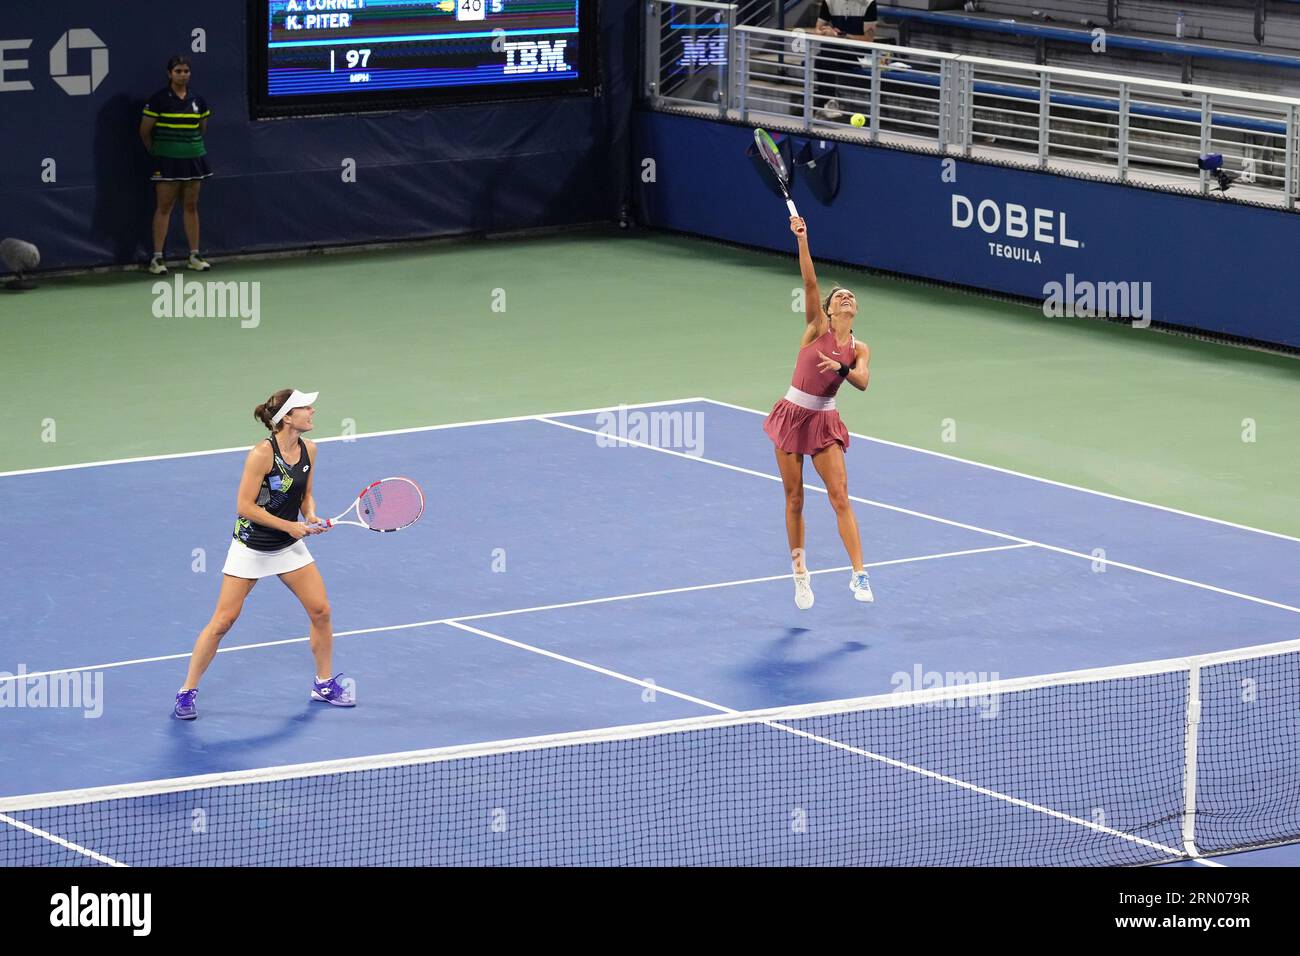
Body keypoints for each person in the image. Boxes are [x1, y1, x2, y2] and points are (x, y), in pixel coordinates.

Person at [173, 389, 354, 719]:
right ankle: (187, 691)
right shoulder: (261, 454)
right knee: (223, 621)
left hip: (287, 545)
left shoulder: (310, 450)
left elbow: (305, 495)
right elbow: (243, 507)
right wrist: (290, 527)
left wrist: (310, 515)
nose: (312, 411)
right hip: (251, 546)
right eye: (304, 408)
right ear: (287, 417)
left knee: (321, 610)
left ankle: (324, 683)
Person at [763, 217, 874, 609]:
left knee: (839, 495)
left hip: (825, 421)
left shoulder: (860, 350)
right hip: (793, 415)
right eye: (839, 296)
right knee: (794, 499)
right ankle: (799, 574)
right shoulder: (815, 328)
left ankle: (859, 575)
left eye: (851, 296)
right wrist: (803, 240)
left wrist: (840, 368)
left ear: (854, 311)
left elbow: (861, 382)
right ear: (827, 310)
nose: (846, 298)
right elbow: (810, 283)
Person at [140, 55, 212, 276]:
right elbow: (145, 131)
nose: (183, 75)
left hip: (194, 158)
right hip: (167, 160)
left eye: (186, 71)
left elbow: (202, 128)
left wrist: (189, 146)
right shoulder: (158, 100)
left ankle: (194, 255)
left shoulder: (198, 100)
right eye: (178, 71)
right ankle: (158, 258)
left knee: (191, 206)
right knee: (164, 207)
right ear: (169, 74)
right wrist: (160, 151)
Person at [813, 0, 877, 120]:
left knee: (823, 55)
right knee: (821, 58)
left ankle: (824, 104)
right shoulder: (829, 2)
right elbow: (817, 29)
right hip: (835, 53)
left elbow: (868, 40)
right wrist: (824, 32)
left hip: (859, 55)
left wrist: (840, 35)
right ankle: (828, 104)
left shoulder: (868, 3)